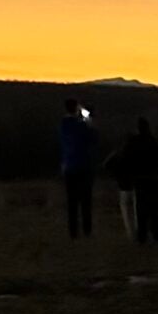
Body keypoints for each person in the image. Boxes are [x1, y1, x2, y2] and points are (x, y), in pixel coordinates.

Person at [118, 115, 158, 245]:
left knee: (141, 209)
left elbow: (125, 159)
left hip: (139, 180)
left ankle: (142, 236)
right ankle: (157, 235)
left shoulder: (133, 142)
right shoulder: (153, 141)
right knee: (154, 209)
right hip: (152, 179)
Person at [57, 95, 99, 239]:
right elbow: (93, 138)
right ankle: (87, 230)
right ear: (76, 109)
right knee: (86, 200)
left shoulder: (63, 125)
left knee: (72, 201)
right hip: (84, 166)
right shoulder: (81, 125)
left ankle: (73, 231)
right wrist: (88, 119)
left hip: (69, 166)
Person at [104, 129, 138, 238]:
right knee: (137, 211)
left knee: (126, 212)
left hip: (123, 186)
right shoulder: (137, 153)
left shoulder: (119, 154)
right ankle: (139, 231)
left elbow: (106, 164)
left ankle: (130, 233)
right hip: (136, 186)